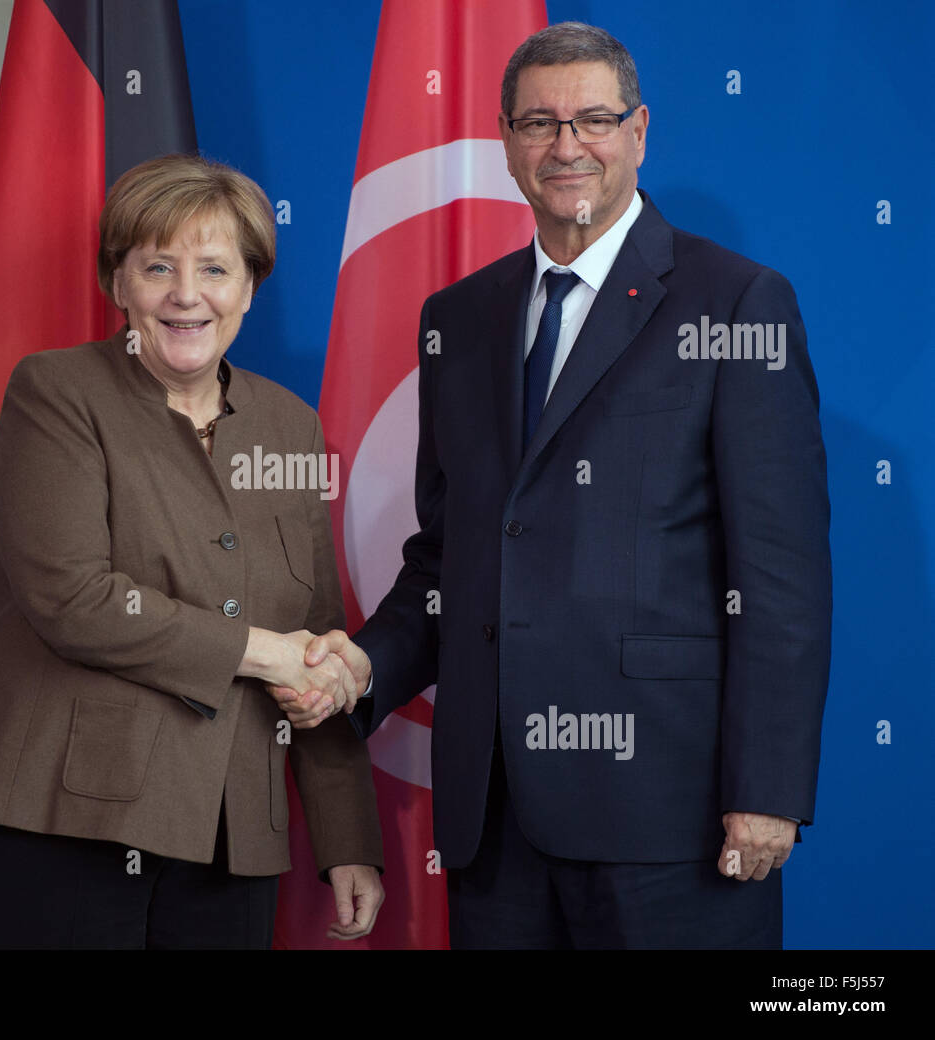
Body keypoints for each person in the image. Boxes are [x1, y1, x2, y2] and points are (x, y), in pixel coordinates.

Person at [273, 22, 830, 949]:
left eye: (592, 120)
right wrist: (364, 666)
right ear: (504, 140)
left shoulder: (736, 302)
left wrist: (765, 792)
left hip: (674, 819)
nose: (565, 145)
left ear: (640, 131)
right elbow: (451, 558)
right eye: (538, 122)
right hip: (496, 821)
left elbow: (780, 578)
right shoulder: (460, 318)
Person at [0, 153, 384, 949]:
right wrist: (268, 653)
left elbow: (316, 634)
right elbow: (74, 599)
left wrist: (346, 840)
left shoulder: (290, 427)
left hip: (231, 842)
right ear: (118, 283)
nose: (186, 294)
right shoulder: (57, 392)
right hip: (59, 824)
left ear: (249, 287)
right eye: (158, 266)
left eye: (215, 268)